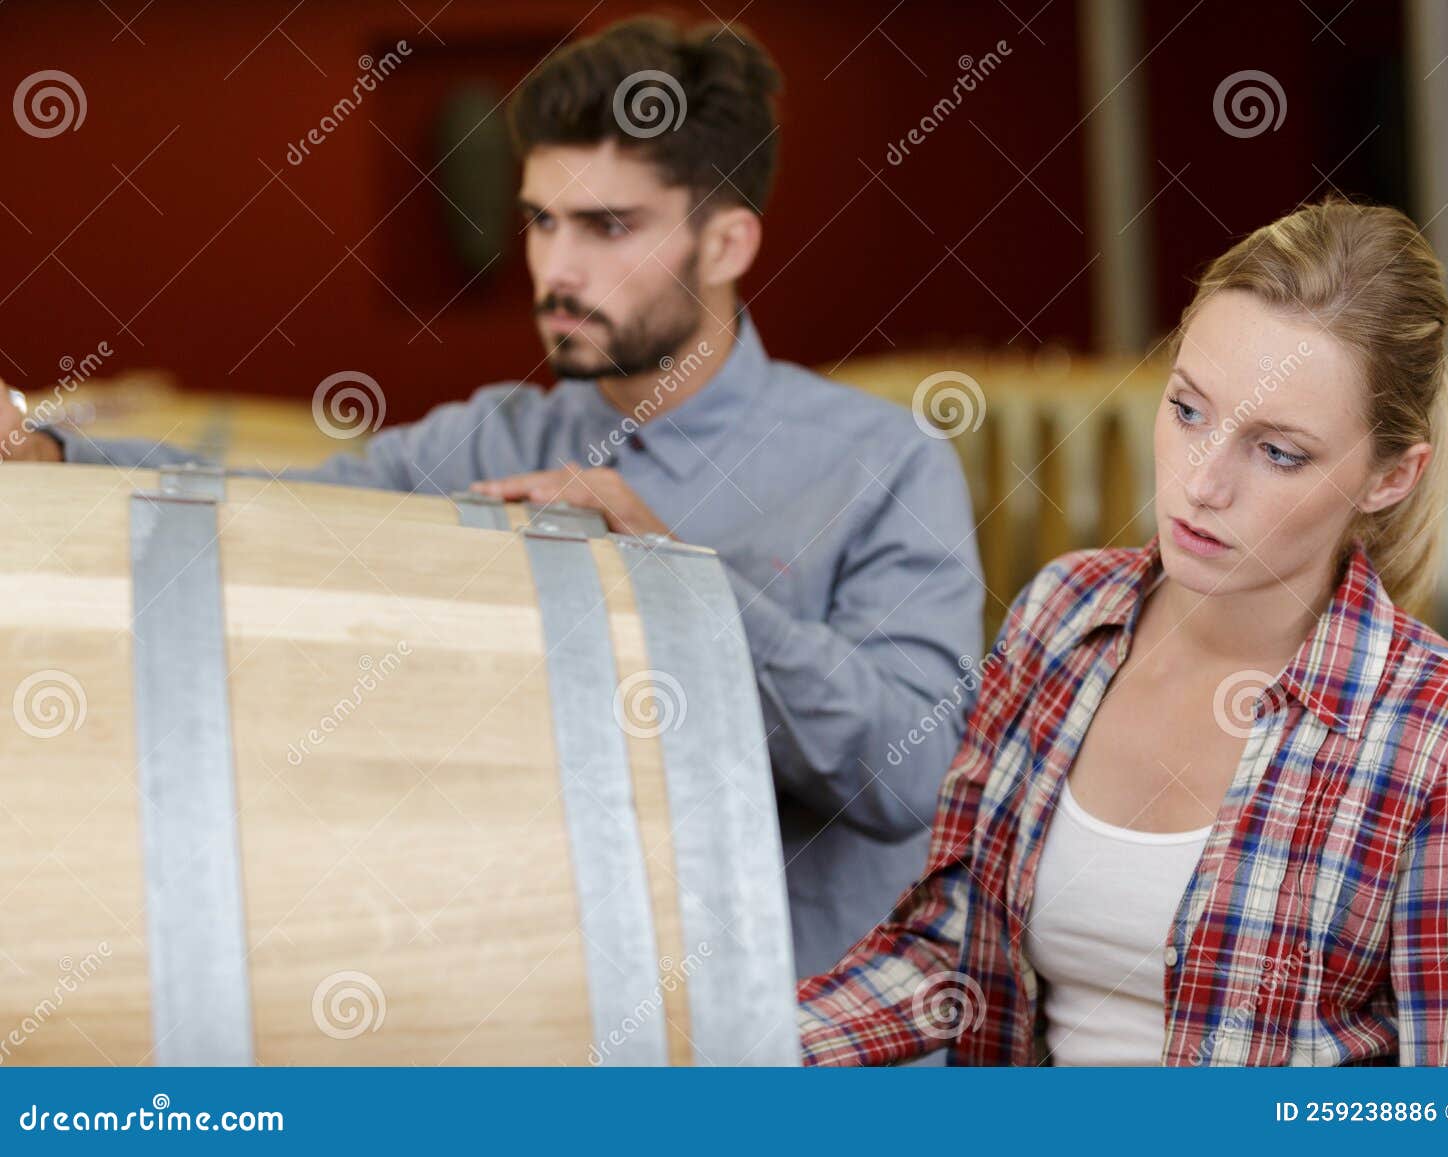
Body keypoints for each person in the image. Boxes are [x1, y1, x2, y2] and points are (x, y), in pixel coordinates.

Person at [0, 16, 985, 983]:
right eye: (541, 221)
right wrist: (50, 452)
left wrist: (674, 578)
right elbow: (279, 511)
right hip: (556, 1025)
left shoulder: (884, 463)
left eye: (609, 227)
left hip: (805, 1054)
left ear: (726, 243)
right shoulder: (493, 437)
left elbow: (907, 778)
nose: (556, 270)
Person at [796, 196, 1448, 1066]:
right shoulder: (1062, 616)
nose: (1202, 484)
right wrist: (735, 1050)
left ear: (1391, 476)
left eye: (1279, 452)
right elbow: (948, 951)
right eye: (1191, 411)